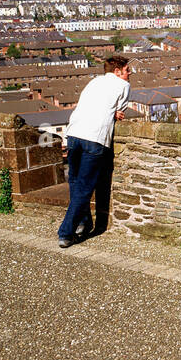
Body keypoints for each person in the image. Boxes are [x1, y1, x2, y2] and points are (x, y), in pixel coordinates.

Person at [57, 55, 132, 247]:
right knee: (84, 186)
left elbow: (95, 104)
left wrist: (112, 111)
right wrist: (115, 112)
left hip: (74, 133)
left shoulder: (93, 82)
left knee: (74, 182)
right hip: (95, 137)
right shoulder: (123, 86)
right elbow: (120, 109)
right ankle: (66, 233)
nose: (130, 73)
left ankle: (84, 223)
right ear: (117, 72)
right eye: (127, 70)